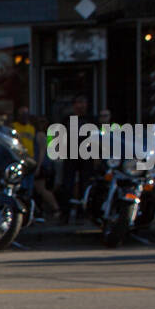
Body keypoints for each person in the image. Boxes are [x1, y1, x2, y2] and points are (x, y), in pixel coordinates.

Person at [56, 93, 90, 222]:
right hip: (70, 156)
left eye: (83, 103)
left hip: (87, 156)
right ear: (74, 106)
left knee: (85, 185)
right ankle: (65, 213)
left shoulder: (90, 119)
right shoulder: (67, 120)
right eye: (78, 103)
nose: (81, 106)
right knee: (67, 185)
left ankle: (82, 213)